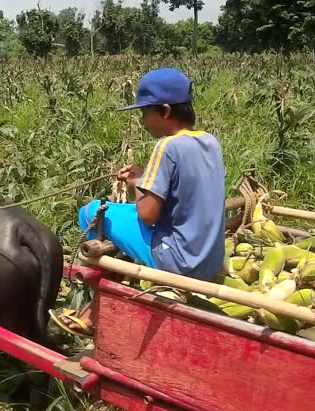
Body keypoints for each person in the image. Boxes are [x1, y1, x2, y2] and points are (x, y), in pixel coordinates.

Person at [79, 68, 227, 279]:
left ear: (165, 111)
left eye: (145, 113)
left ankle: (107, 280)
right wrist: (143, 179)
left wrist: (137, 184)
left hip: (178, 263)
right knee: (125, 211)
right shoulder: (210, 142)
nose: (143, 121)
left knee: (90, 211)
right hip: (210, 261)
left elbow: (148, 216)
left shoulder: (167, 146)